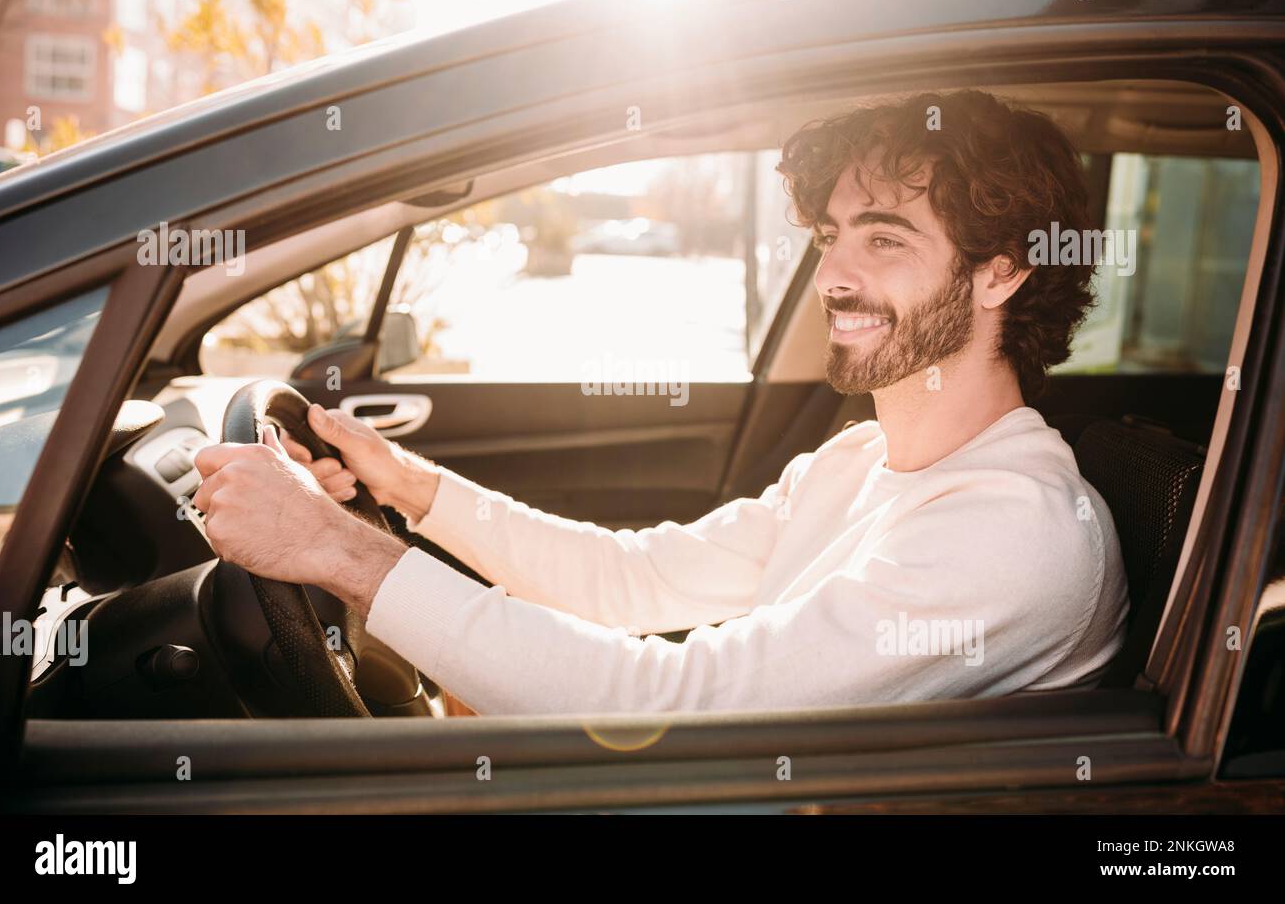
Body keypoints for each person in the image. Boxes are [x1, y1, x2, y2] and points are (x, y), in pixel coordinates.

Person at [194, 89, 1129, 715]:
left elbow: (672, 702)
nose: (834, 275)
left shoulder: (1012, 531)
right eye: (831, 236)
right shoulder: (859, 462)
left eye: (883, 240)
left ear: (1002, 270)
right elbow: (632, 580)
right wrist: (413, 490)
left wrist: (332, 548)